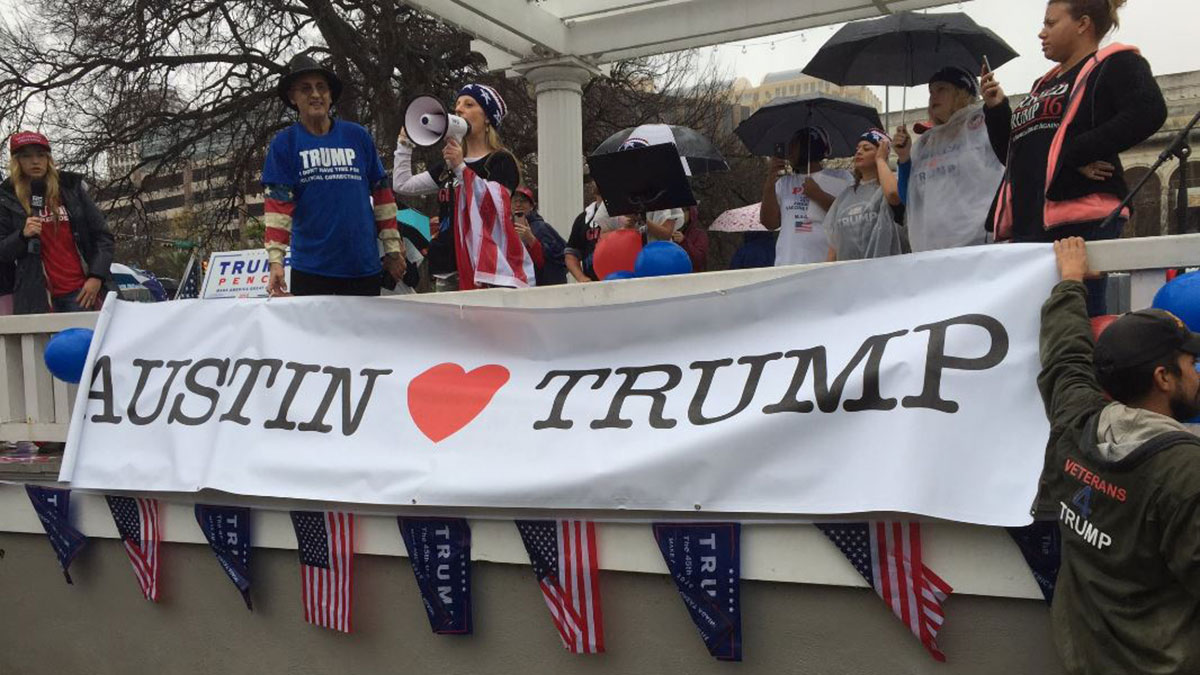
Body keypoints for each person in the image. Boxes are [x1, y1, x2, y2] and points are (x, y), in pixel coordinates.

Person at [1038, 237, 1200, 674]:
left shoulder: (1077, 423)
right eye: (1191, 364)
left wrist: (1070, 282)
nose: (1197, 373)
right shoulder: (1186, 476)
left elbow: (1065, 356)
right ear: (1163, 377)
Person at [981, 0, 1167, 314]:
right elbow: (1014, 154)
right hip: (1029, 225)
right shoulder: (1042, 84)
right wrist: (997, 110)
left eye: (1051, 24)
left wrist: (1079, 151)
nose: (1042, 33)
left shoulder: (1114, 62)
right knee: (1032, 324)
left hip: (1079, 220)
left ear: (1082, 24)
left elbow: (1149, 111)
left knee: (1076, 320)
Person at [262, 54, 404, 297]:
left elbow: (382, 195)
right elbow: (277, 208)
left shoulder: (358, 136)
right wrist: (276, 262)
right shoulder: (284, 145)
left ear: (330, 95)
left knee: (366, 335)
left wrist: (393, 249)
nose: (316, 94)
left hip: (363, 269)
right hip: (312, 272)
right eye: (305, 89)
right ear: (292, 98)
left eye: (321, 87)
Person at [394, 83, 535, 290]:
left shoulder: (500, 160)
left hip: (483, 266)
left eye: (469, 104)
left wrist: (461, 167)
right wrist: (405, 144)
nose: (459, 109)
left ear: (488, 117)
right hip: (446, 264)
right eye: (457, 105)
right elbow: (402, 184)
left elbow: (494, 204)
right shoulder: (449, 164)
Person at [0, 131, 115, 314]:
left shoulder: (71, 189)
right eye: (27, 156)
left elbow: (103, 237)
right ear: (17, 161)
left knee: (81, 342)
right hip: (36, 296)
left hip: (80, 292)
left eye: (40, 155)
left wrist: (96, 276)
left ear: (48, 159)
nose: (35, 161)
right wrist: (21, 236)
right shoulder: (6, 198)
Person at [894, 66, 1005, 252]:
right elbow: (910, 200)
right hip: (934, 252)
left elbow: (1008, 157)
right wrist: (904, 159)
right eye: (931, 92)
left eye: (942, 89)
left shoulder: (983, 125)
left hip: (980, 245)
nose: (933, 97)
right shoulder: (925, 143)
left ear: (961, 93)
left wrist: (998, 108)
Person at [760, 127, 854, 267]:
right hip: (787, 265)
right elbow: (769, 223)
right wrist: (770, 177)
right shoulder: (784, 183)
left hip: (826, 266)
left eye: (793, 147)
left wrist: (819, 195)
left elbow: (849, 217)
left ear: (808, 148)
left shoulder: (841, 178)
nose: (789, 153)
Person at [825, 129, 904, 262]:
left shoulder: (890, 185)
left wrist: (881, 160)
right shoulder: (845, 195)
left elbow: (893, 194)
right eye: (858, 149)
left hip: (885, 272)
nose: (859, 152)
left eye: (866, 148)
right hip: (849, 275)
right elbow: (835, 244)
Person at [512, 186, 567, 286]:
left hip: (542, 287)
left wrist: (531, 240)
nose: (518, 204)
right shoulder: (506, 229)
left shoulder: (542, 228)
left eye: (523, 201)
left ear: (531, 206)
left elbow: (558, 258)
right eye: (515, 201)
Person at [565, 181, 617, 283]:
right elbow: (571, 254)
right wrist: (581, 277)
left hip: (625, 281)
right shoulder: (583, 219)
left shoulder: (628, 214)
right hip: (593, 285)